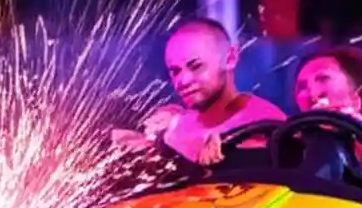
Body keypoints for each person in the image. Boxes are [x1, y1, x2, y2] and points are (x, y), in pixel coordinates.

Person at [113, 17, 287, 169]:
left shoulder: (265, 120)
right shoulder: (173, 121)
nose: (183, 81)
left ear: (230, 58)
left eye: (196, 66)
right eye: (175, 72)